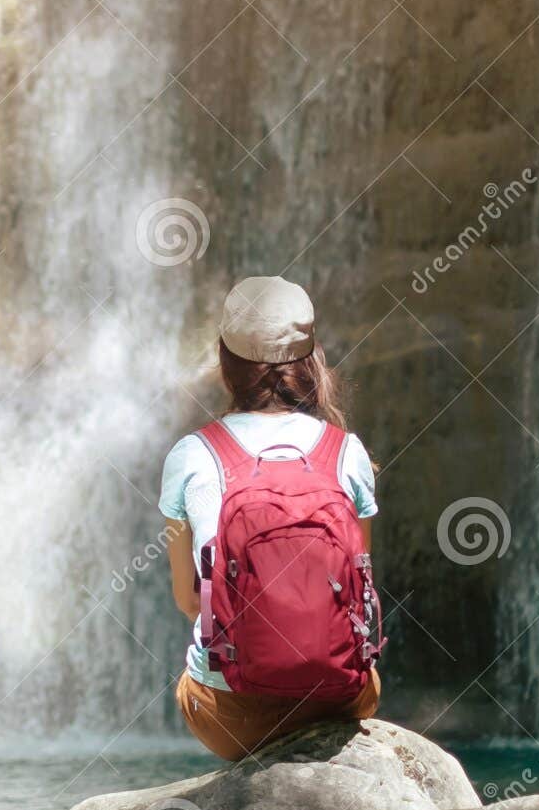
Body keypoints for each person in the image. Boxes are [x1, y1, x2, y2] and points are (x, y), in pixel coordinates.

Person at [159, 275, 380, 761]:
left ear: (225, 362)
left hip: (231, 712)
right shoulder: (346, 451)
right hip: (336, 699)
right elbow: (361, 586)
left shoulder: (192, 453)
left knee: (190, 681)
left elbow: (189, 600)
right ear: (311, 358)